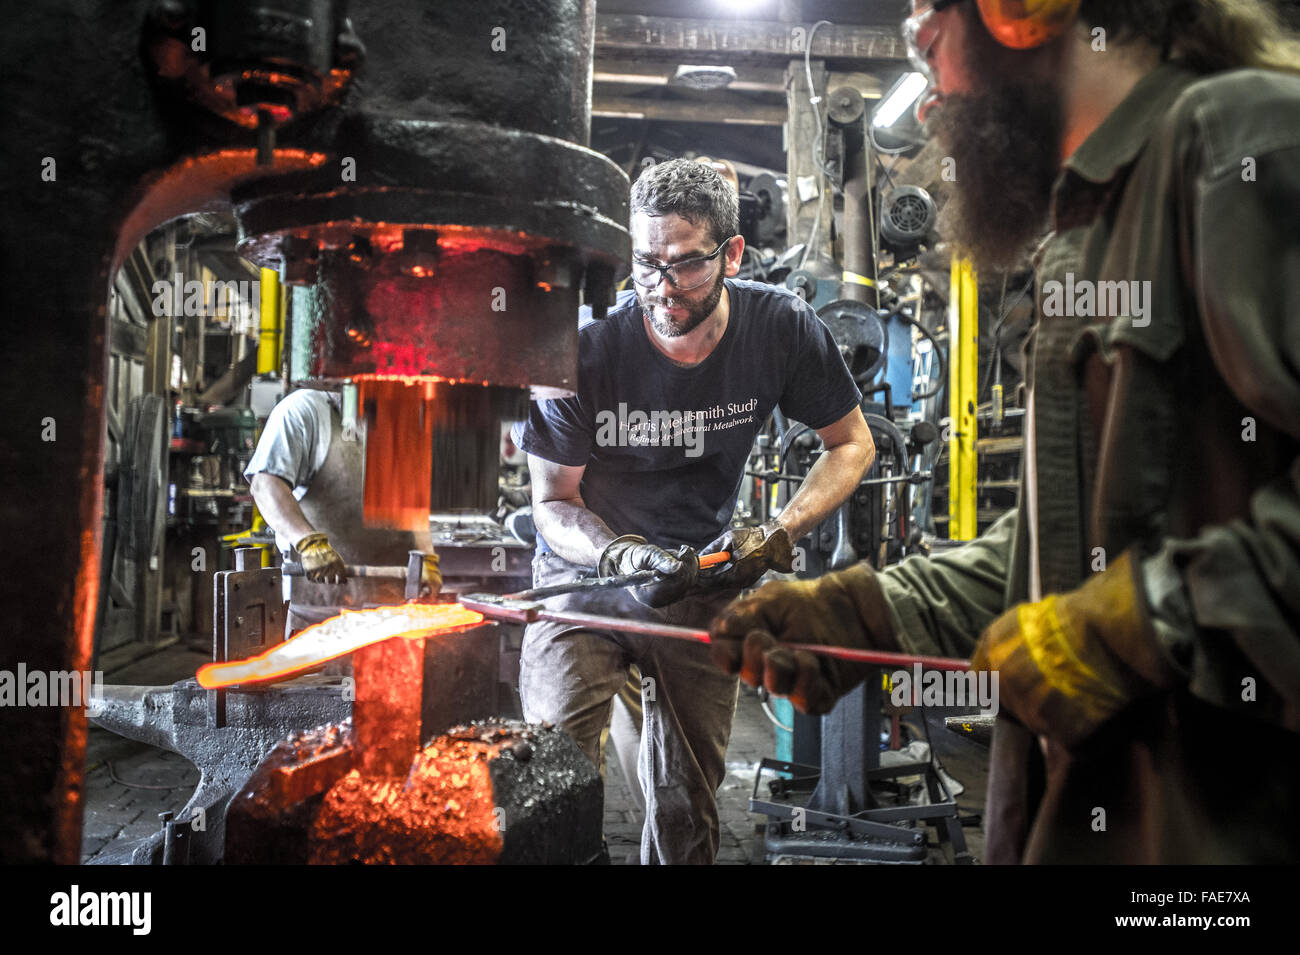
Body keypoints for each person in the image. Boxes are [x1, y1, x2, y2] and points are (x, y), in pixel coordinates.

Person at [711, 0, 1300, 864]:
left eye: (927, 37)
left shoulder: (1238, 146)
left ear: (1021, 11)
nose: (928, 97)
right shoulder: (1095, 220)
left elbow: (1118, 602)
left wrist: (1142, 624)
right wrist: (874, 613)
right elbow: (1076, 558)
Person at [513, 158, 875, 864]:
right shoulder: (585, 346)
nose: (661, 287)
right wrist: (619, 553)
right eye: (645, 264)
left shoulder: (781, 329)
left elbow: (851, 445)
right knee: (550, 782)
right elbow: (553, 501)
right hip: (582, 579)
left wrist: (778, 531)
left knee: (685, 805)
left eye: (684, 265)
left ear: (732, 253)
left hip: (700, 574)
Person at [245, 387, 440, 634]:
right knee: (322, 674)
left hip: (392, 610)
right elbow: (265, 485)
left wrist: (427, 557)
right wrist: (308, 542)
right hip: (318, 609)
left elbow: (411, 505)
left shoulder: (399, 423)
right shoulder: (303, 411)